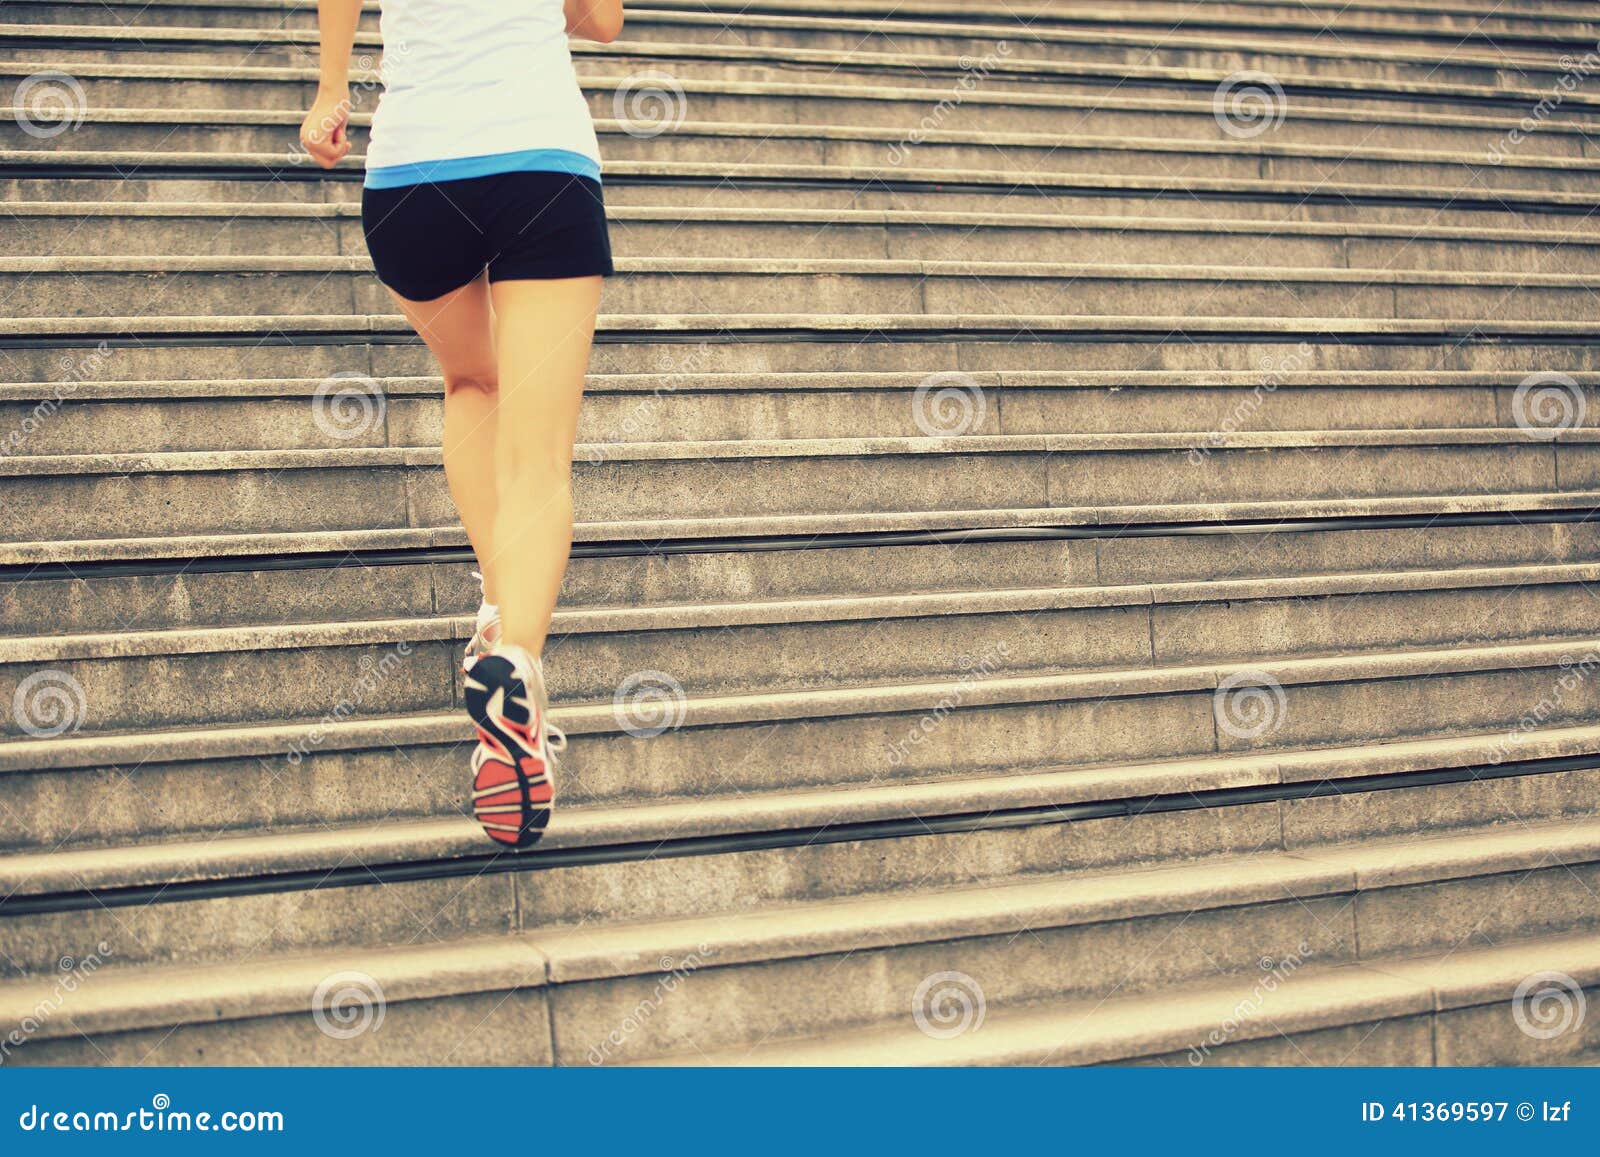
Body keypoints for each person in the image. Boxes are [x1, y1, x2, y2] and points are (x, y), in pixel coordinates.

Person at [300, 0, 625, 849]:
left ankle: (495, 610)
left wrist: (332, 88)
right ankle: (513, 659)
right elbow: (603, 19)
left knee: (472, 382)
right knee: (539, 460)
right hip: (539, 159)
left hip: (415, 173)